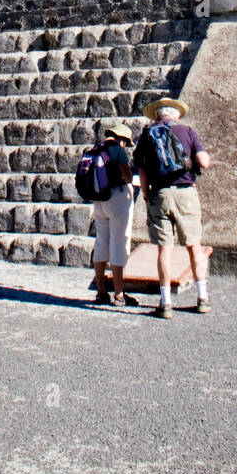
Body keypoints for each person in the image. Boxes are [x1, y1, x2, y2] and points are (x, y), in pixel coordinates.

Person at [133, 98, 211, 319]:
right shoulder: (187, 131)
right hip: (186, 192)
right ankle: (202, 298)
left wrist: (147, 195)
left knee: (164, 250)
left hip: (159, 194)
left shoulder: (148, 135)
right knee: (194, 246)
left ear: (157, 115)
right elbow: (203, 162)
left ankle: (165, 302)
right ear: (176, 115)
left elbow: (143, 169)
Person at [91, 123, 139, 307]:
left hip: (99, 199)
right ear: (122, 139)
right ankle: (119, 293)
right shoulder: (117, 151)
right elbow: (127, 176)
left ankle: (101, 291)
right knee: (119, 244)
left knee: (101, 242)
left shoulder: (95, 149)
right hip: (117, 199)